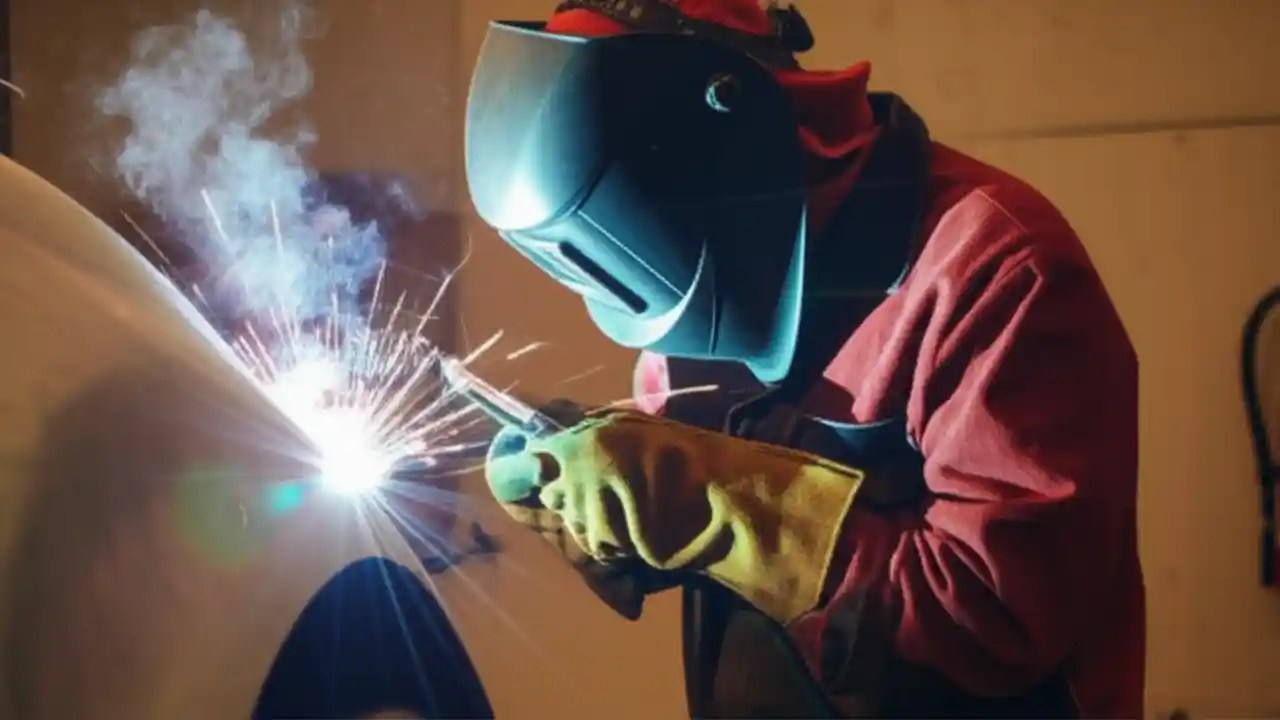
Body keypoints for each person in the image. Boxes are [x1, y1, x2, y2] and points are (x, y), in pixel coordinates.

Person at [465, 1, 1144, 717]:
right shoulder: (694, 282)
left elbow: (998, 618)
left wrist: (712, 502)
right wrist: (600, 488)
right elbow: (703, 494)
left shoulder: (995, 269)